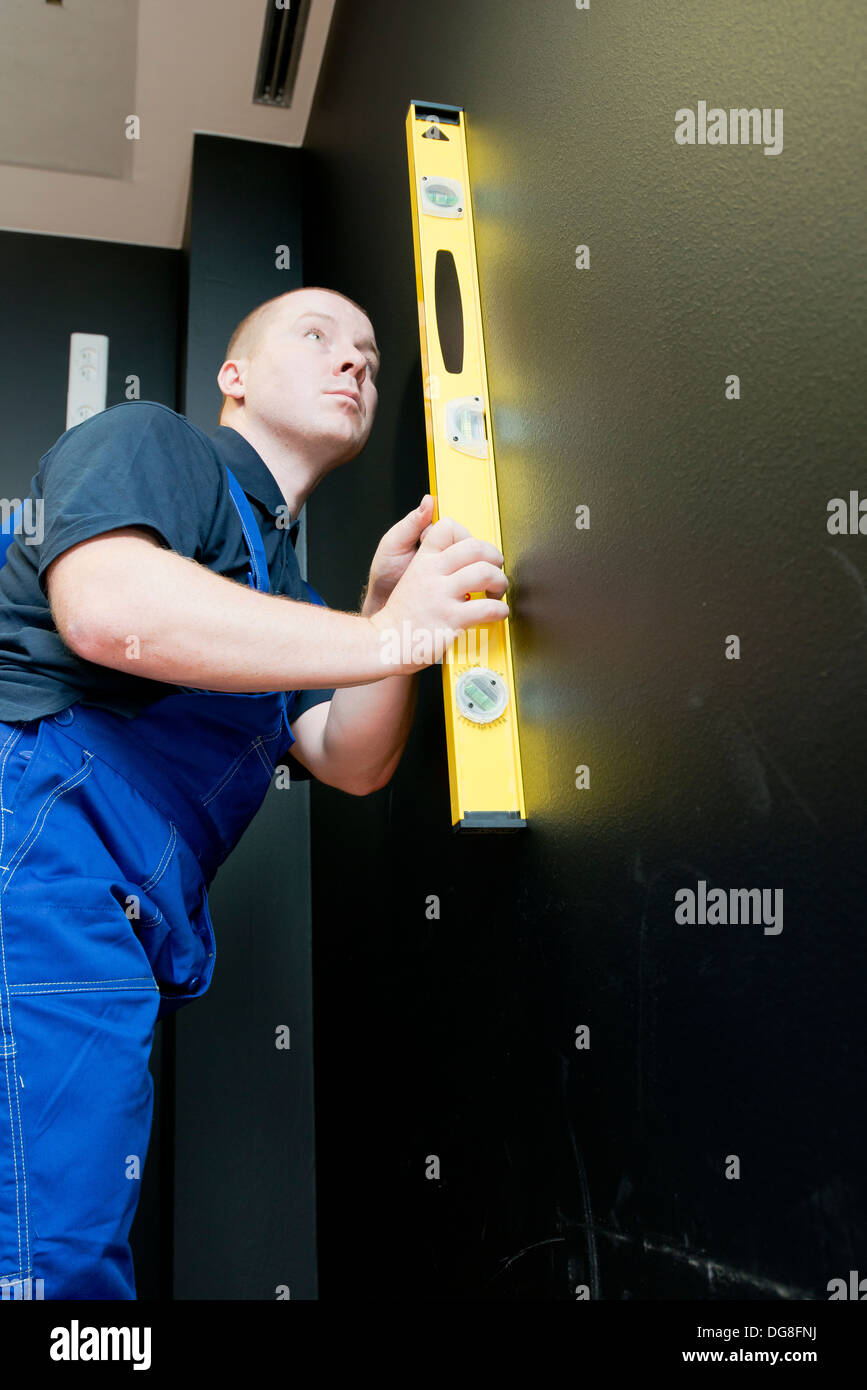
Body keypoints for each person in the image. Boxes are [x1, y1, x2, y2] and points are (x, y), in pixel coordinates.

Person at [0, 284, 509, 1300]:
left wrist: (379, 615)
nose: (353, 360)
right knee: (45, 1262)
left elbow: (349, 758)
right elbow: (108, 608)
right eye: (317, 336)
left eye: (368, 355)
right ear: (232, 375)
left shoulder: (285, 597)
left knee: (60, 1240)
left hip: (107, 908)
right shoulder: (150, 441)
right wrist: (386, 634)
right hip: (36, 855)